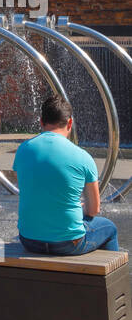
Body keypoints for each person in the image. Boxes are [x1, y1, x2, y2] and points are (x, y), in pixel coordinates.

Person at [15, 93, 119, 255]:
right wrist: (79, 208)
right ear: (70, 123)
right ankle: (110, 278)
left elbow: (33, 191)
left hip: (28, 240)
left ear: (42, 122)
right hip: (69, 244)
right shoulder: (83, 157)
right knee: (109, 228)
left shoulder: (23, 150)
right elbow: (94, 210)